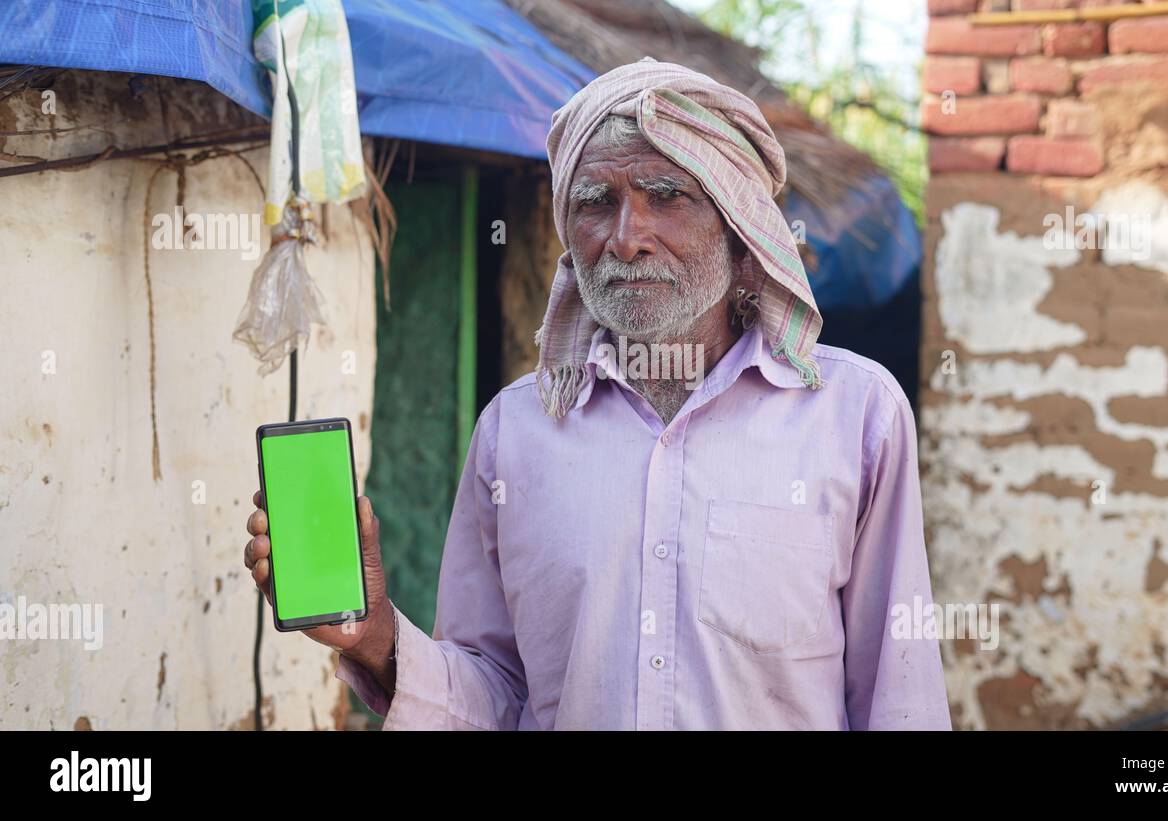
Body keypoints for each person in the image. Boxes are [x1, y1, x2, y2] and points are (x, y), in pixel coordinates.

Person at [244, 59, 951, 730]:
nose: (626, 236)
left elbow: (901, 696)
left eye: (666, 196)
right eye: (596, 201)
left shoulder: (855, 416)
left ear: (741, 232)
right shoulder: (513, 434)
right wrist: (375, 634)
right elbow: (496, 694)